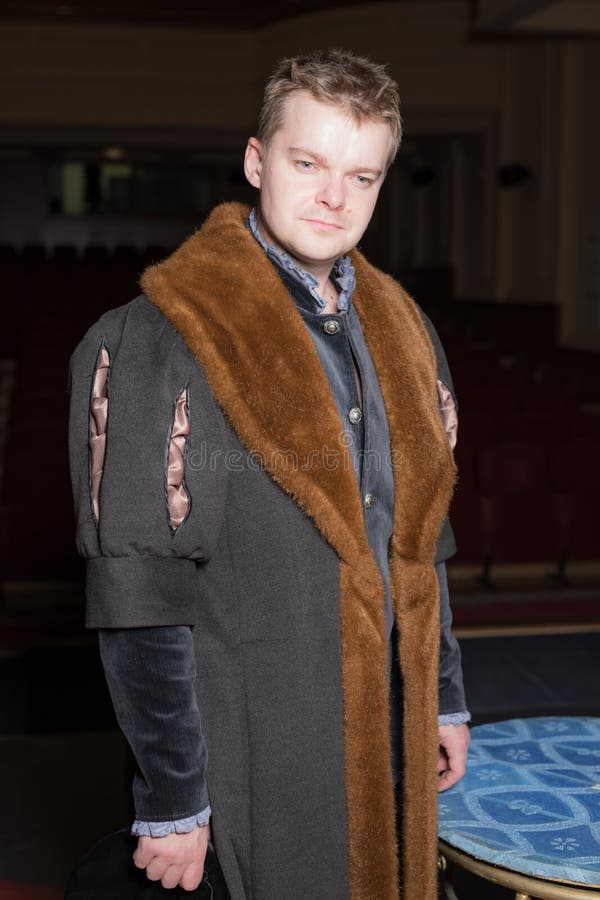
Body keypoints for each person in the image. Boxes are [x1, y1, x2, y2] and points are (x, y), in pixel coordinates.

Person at [69, 49, 470, 900]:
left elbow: (419, 545)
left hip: (389, 733)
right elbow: (141, 593)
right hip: (252, 751)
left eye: (361, 176)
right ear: (258, 162)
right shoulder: (162, 336)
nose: (334, 197)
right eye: (308, 163)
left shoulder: (406, 329)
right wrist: (173, 798)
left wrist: (442, 699)